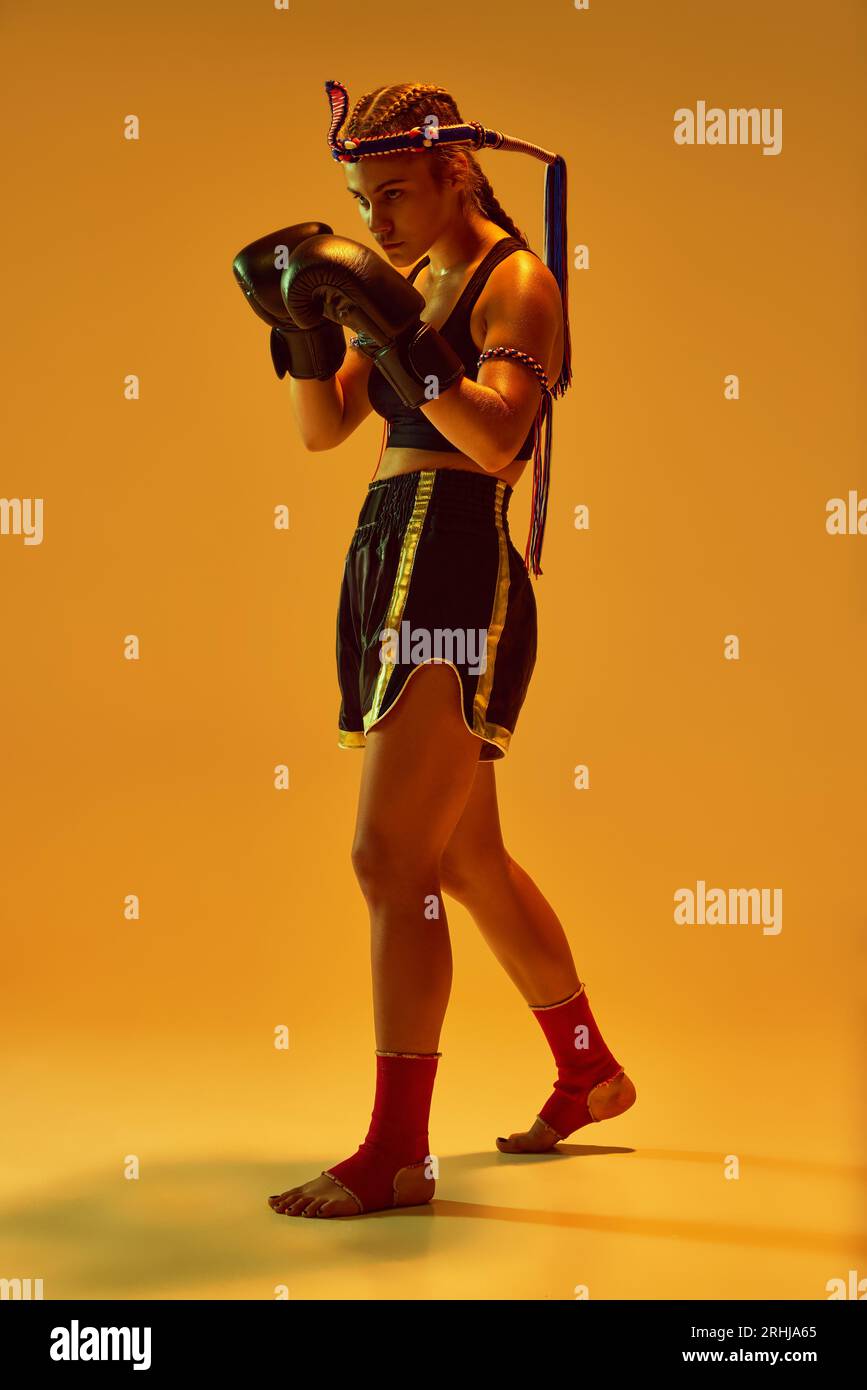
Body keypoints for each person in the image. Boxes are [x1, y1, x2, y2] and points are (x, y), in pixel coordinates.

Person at [233, 80, 636, 1220]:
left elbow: (501, 438)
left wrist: (408, 341)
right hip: (382, 546)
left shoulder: (518, 281)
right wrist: (307, 329)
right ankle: (590, 1070)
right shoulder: (406, 276)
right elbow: (326, 432)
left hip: (455, 559)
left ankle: (399, 1152)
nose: (380, 221)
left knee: (386, 861)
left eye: (396, 194)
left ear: (457, 169)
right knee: (461, 861)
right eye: (364, 201)